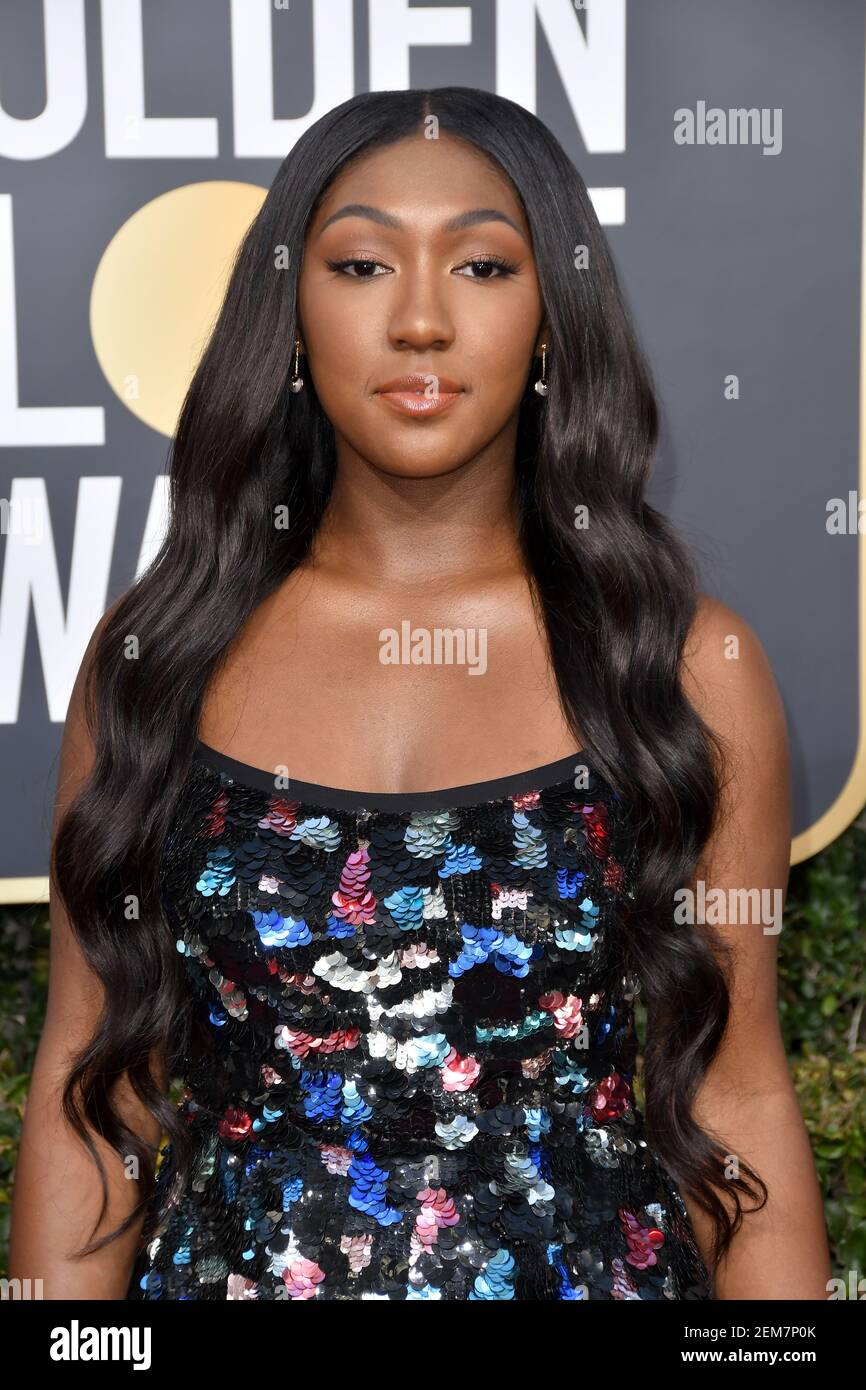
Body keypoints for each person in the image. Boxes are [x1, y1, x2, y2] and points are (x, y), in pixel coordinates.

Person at [9, 87, 831, 1301]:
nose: (420, 322)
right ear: (287, 311)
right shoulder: (157, 657)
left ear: (553, 317)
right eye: (358, 263)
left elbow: (738, 1090)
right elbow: (89, 1093)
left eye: (484, 266)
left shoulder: (680, 668)